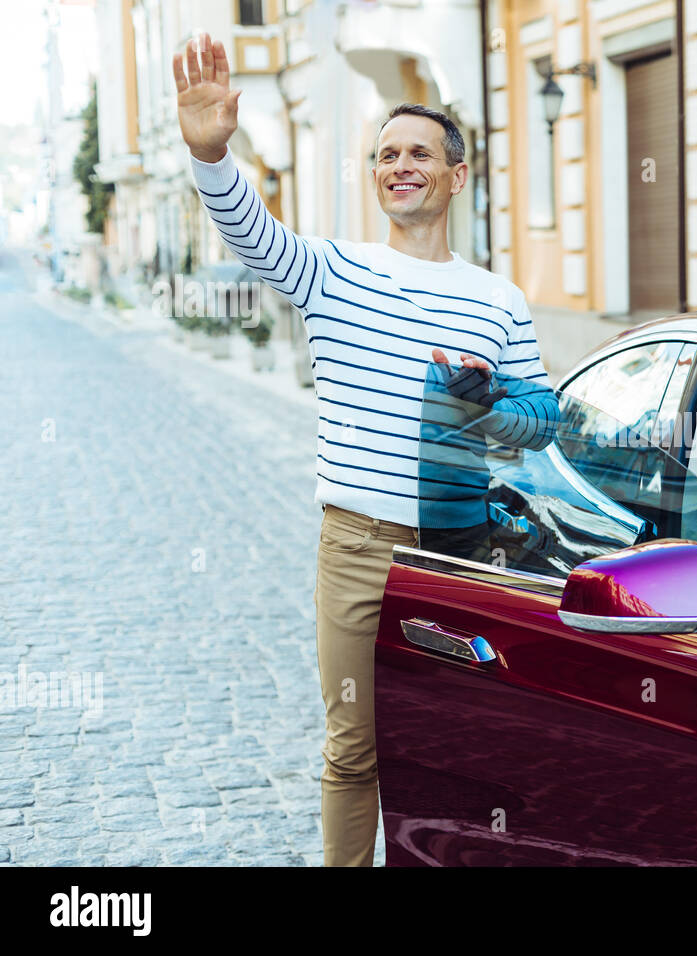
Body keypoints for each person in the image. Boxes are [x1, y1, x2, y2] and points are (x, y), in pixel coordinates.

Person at [173, 31, 559, 866]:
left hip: (461, 554)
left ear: (457, 175)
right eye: (386, 154)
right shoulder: (334, 271)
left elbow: (540, 421)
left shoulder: (499, 300)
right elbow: (253, 234)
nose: (400, 165)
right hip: (356, 549)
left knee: (458, 750)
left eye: (419, 151)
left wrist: (483, 401)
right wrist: (212, 158)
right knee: (354, 747)